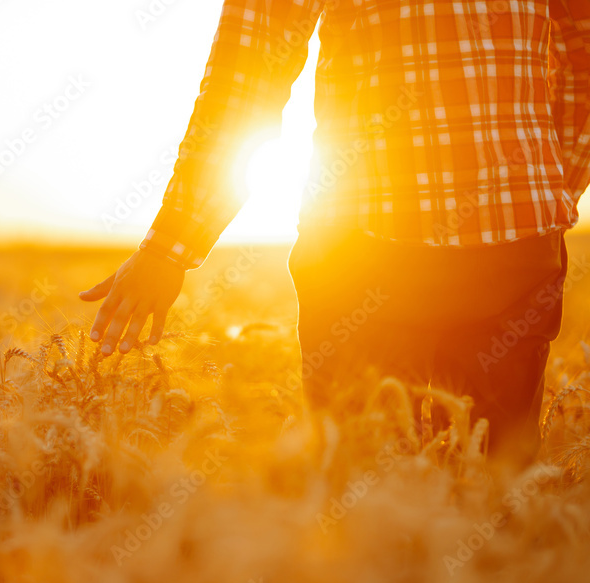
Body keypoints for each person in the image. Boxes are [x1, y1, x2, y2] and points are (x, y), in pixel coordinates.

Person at [80, 0, 590, 467]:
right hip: (506, 243)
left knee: (367, 499)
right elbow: (583, 57)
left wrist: (172, 245)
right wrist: (541, 183)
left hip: (363, 245)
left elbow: (250, 69)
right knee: (496, 496)